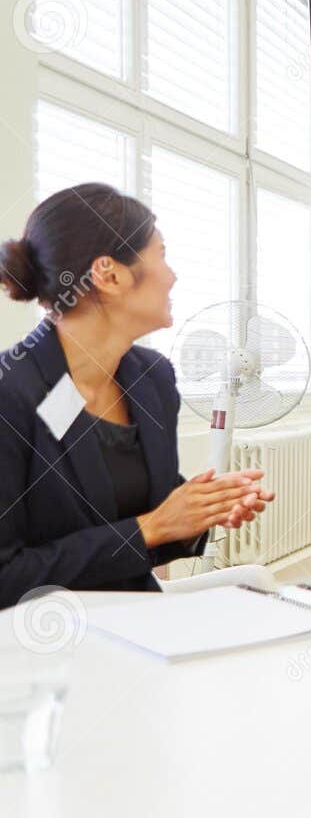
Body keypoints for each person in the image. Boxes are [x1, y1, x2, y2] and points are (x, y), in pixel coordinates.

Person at [0, 184, 272, 609]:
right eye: (161, 254)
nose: (172, 275)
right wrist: (151, 528)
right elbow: (6, 576)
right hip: (42, 647)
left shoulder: (152, 379)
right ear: (109, 275)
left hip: (140, 627)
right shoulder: (11, 393)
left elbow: (146, 527)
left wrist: (198, 514)